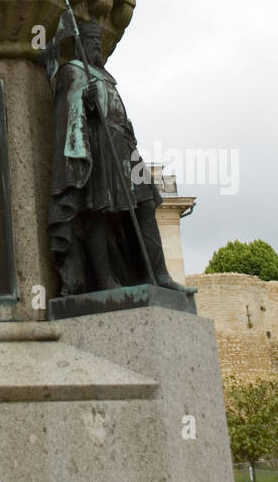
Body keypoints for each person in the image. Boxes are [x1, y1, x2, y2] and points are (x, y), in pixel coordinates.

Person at [47, 19, 183, 297]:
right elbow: (67, 108)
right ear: (80, 43)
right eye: (91, 41)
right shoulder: (72, 70)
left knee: (146, 206)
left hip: (125, 147)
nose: (97, 45)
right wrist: (85, 101)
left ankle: (159, 274)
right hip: (100, 146)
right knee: (100, 209)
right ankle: (105, 278)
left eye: (99, 40)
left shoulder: (105, 75)